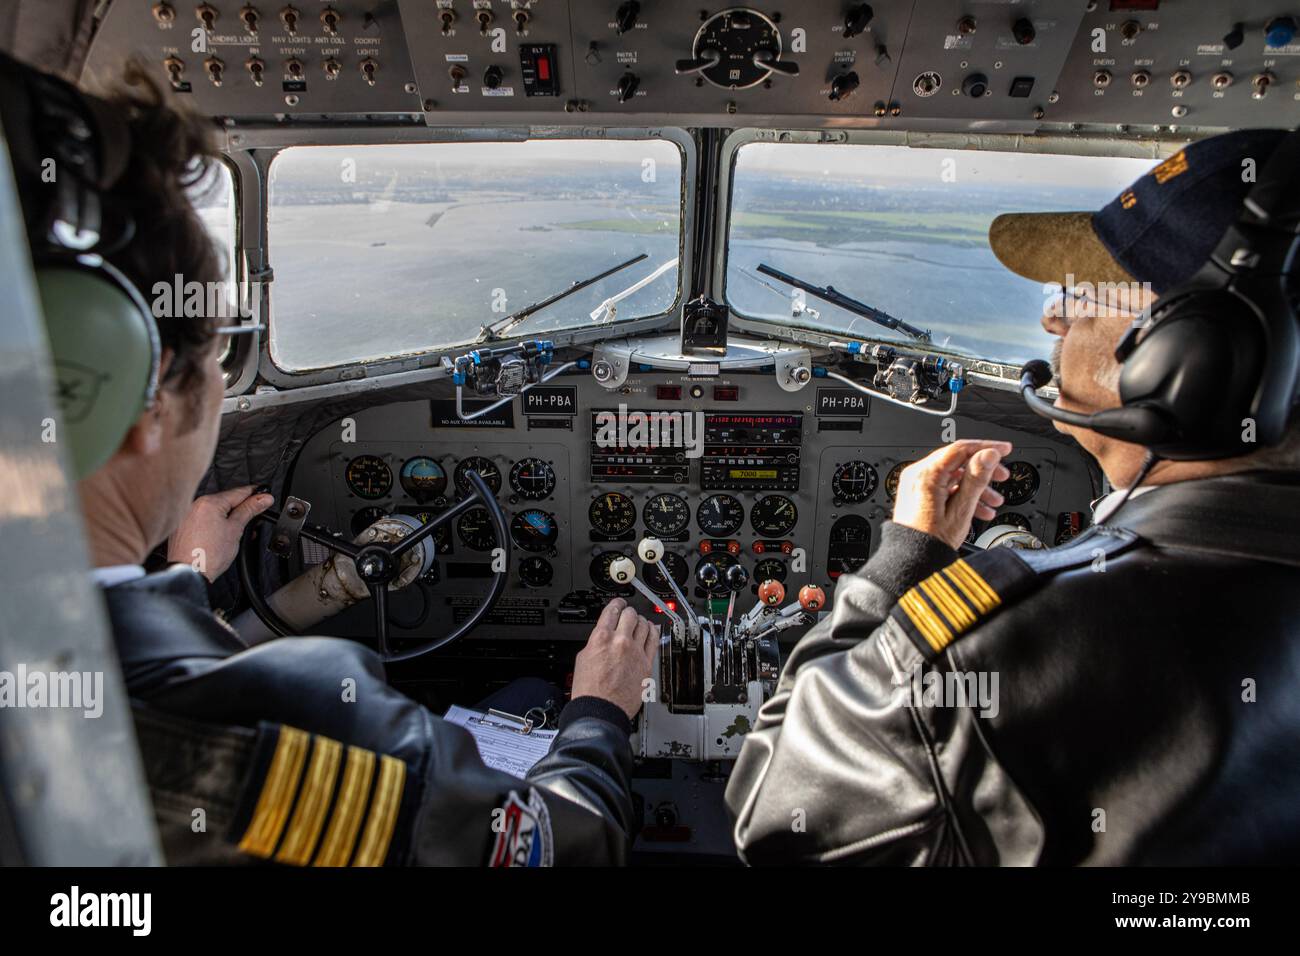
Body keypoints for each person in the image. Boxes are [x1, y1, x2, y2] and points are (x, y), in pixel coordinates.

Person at [11, 58, 656, 866]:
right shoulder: (298, 732)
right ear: (130, 395)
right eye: (220, 355)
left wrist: (186, 585)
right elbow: (570, 848)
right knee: (542, 698)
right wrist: (600, 711)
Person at [725, 129, 1300, 865]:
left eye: (1086, 292)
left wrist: (902, 563)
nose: (1052, 319)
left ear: (1193, 355)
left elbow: (773, 807)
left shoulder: (993, 650)